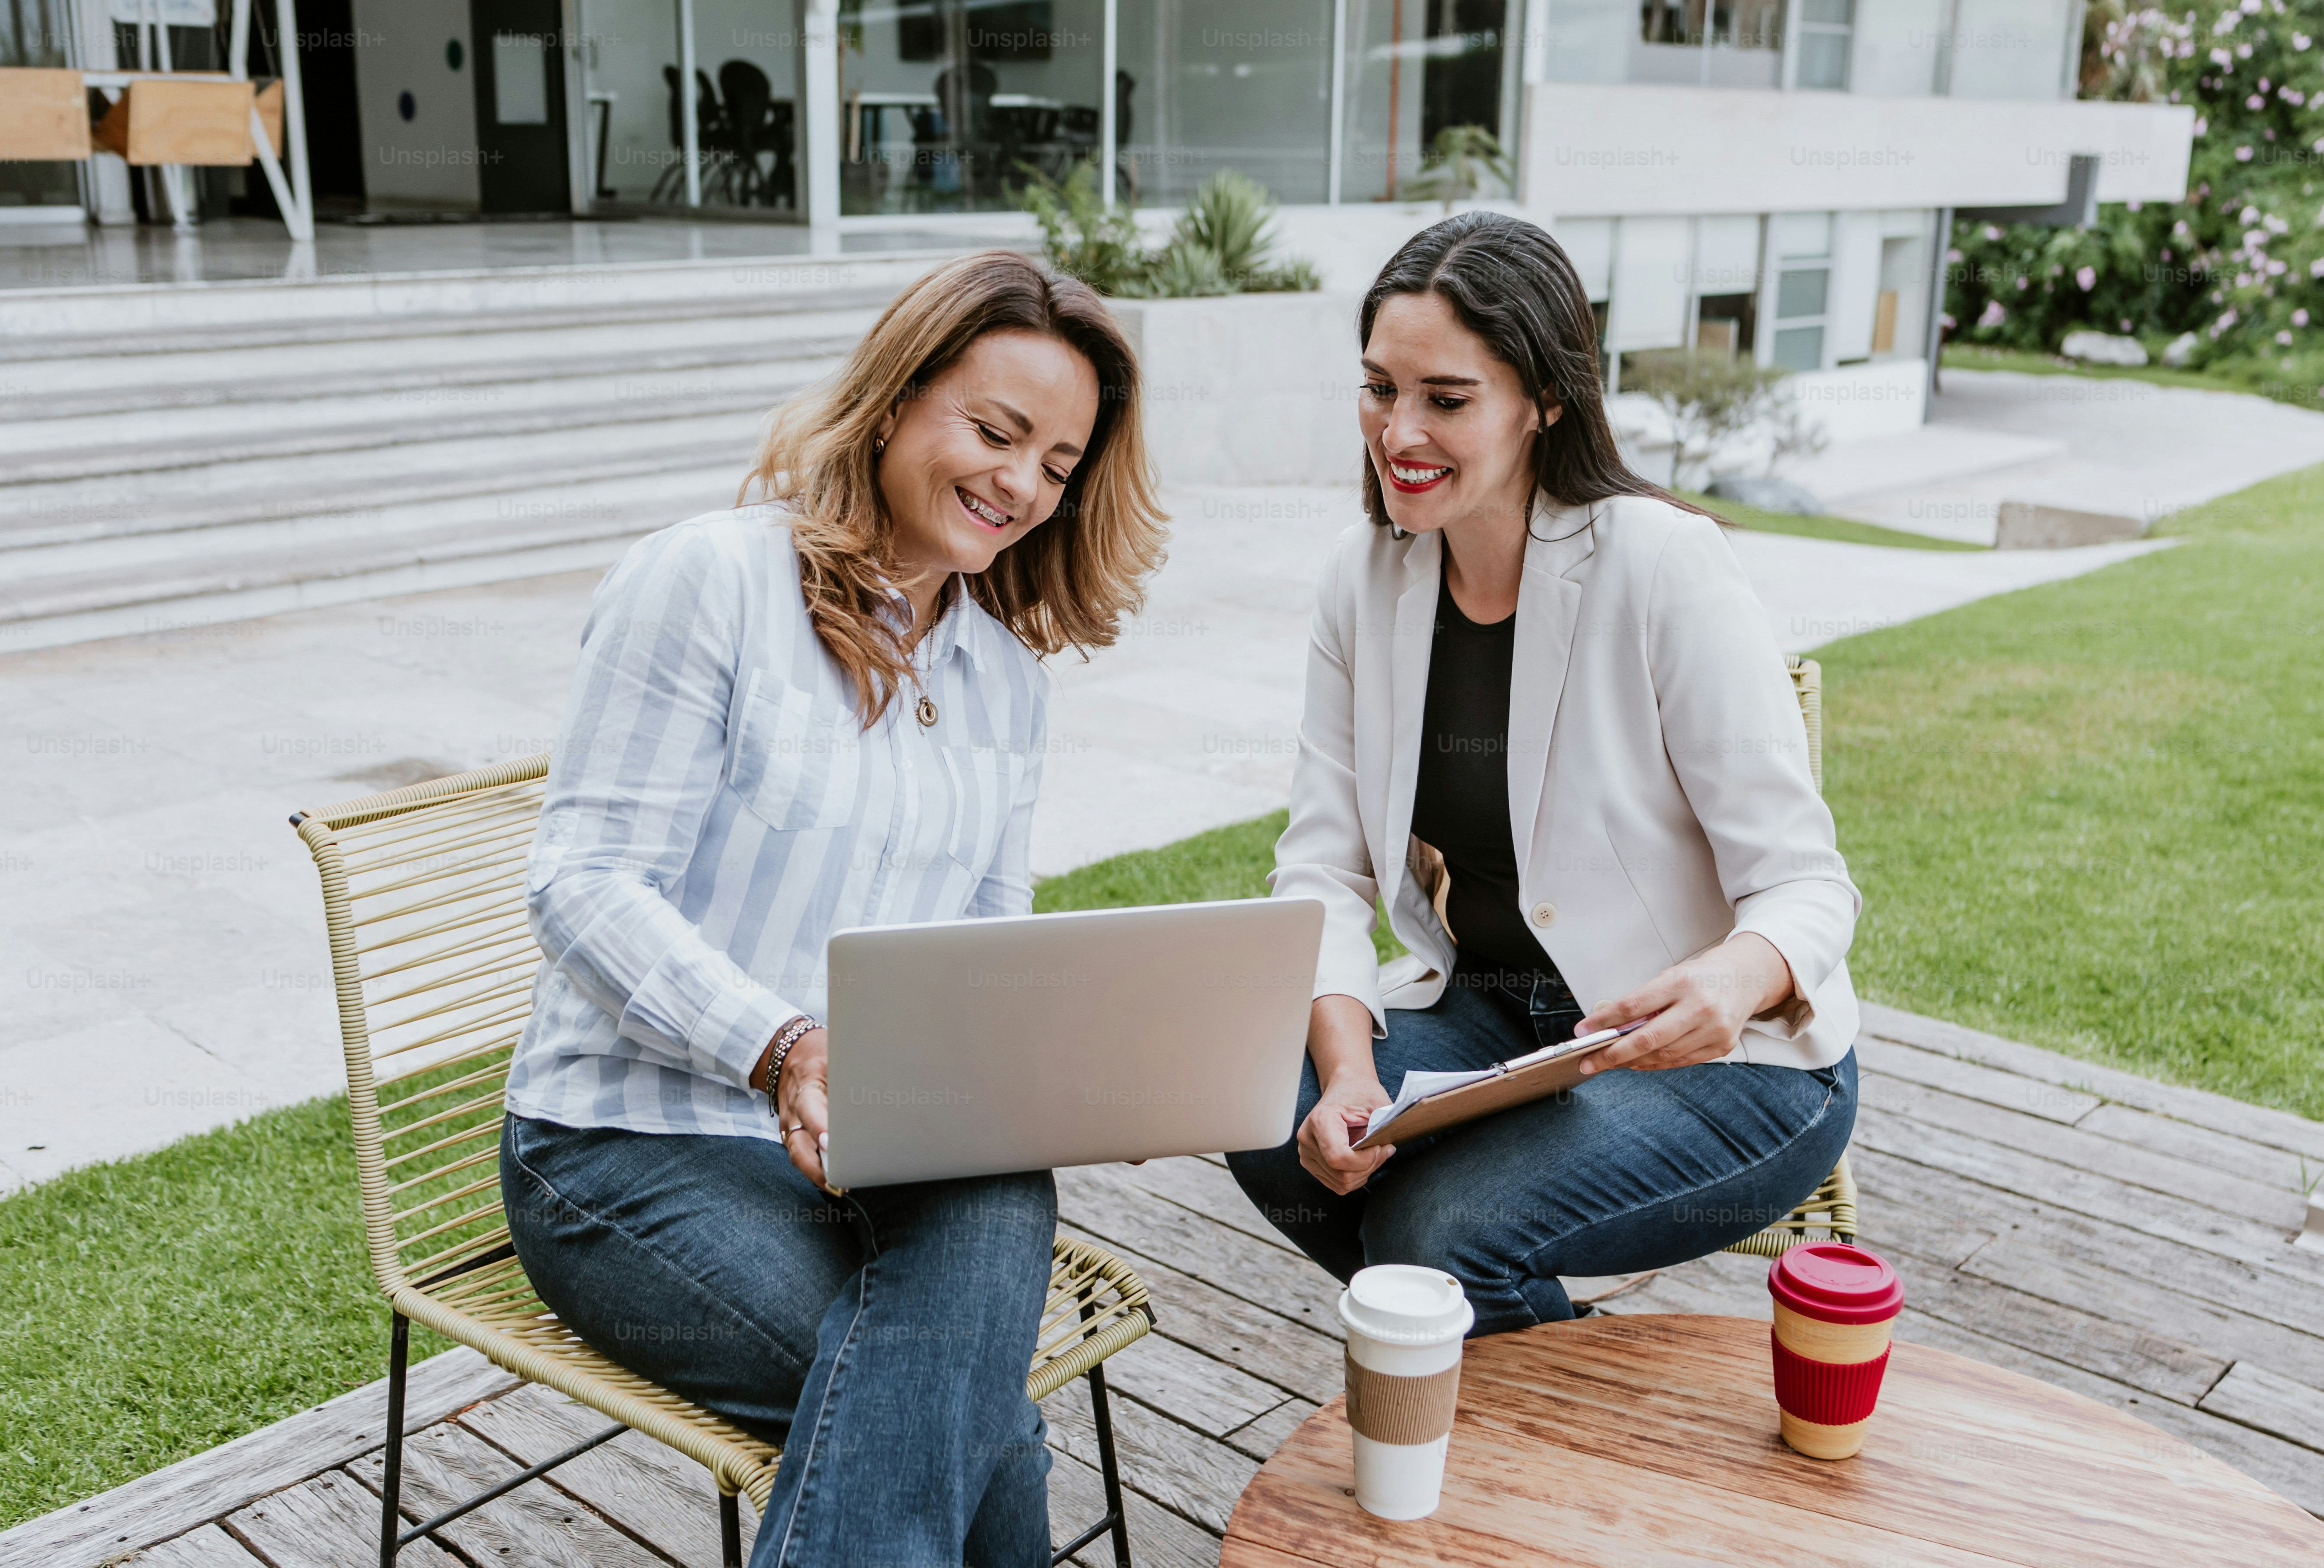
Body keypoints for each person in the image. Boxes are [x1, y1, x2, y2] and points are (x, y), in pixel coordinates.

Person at [497, 250, 1165, 1567]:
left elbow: (981, 942)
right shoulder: (708, 584)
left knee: (991, 1210)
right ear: (894, 399)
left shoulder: (1003, 679)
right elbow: (580, 882)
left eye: (1060, 464)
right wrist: (788, 1047)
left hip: (887, 1149)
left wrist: (1078, 1084)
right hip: (625, 1148)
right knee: (963, 1423)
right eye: (996, 432)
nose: (1024, 486)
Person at [1229, 211, 1861, 1335]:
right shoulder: (1361, 579)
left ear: (1546, 401)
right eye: (1378, 389)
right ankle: (1513, 1340)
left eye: (1445, 399)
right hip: (1489, 1024)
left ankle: (1482, 1350)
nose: (1397, 431)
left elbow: (1807, 889)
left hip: (1723, 1058)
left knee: (1437, 1233)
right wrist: (1342, 1072)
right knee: (1260, 1117)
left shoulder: (1662, 565)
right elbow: (1320, 867)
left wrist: (1726, 982)